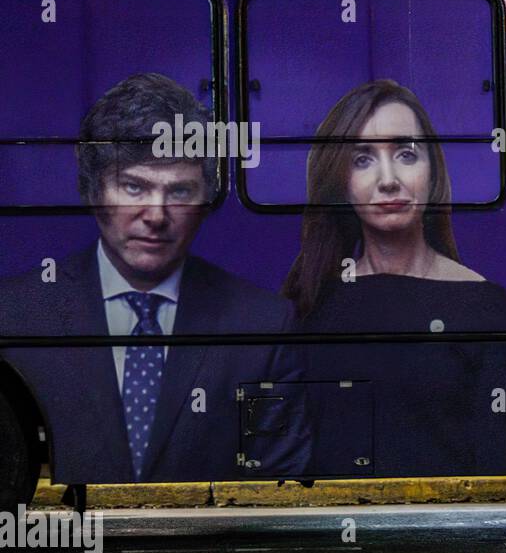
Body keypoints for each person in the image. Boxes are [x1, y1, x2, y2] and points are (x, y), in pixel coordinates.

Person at [0, 73, 311, 484]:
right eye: (133, 187)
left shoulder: (265, 325)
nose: (156, 215)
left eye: (180, 192)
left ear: (205, 202)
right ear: (93, 190)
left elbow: (283, 491)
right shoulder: (15, 314)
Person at [281, 80, 506, 477]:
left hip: (445, 531)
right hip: (325, 530)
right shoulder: (308, 302)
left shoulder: (486, 306)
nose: (388, 179)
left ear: (433, 170)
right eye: (362, 159)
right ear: (340, 183)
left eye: (406, 154)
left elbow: (497, 458)